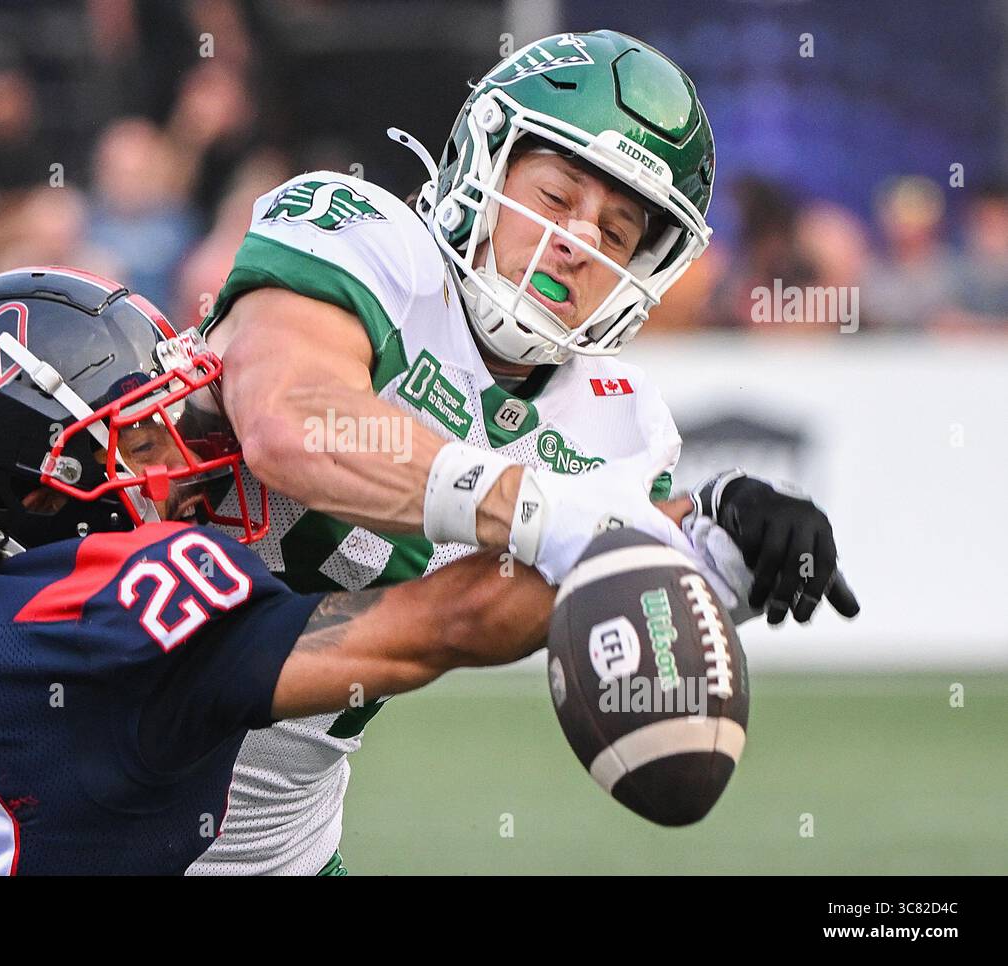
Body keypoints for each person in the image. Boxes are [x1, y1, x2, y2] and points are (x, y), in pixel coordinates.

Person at [190, 29, 858, 874]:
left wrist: (694, 557)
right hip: (88, 752)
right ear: (481, 166)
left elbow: (462, 619)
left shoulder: (617, 420)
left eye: (618, 234)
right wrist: (556, 515)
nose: (578, 242)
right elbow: (294, 426)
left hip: (277, 845)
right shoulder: (370, 241)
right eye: (555, 196)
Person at [0, 266, 558, 875]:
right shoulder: (108, 623)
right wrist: (609, 543)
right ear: (37, 492)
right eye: (142, 441)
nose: (183, 465)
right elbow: (446, 626)